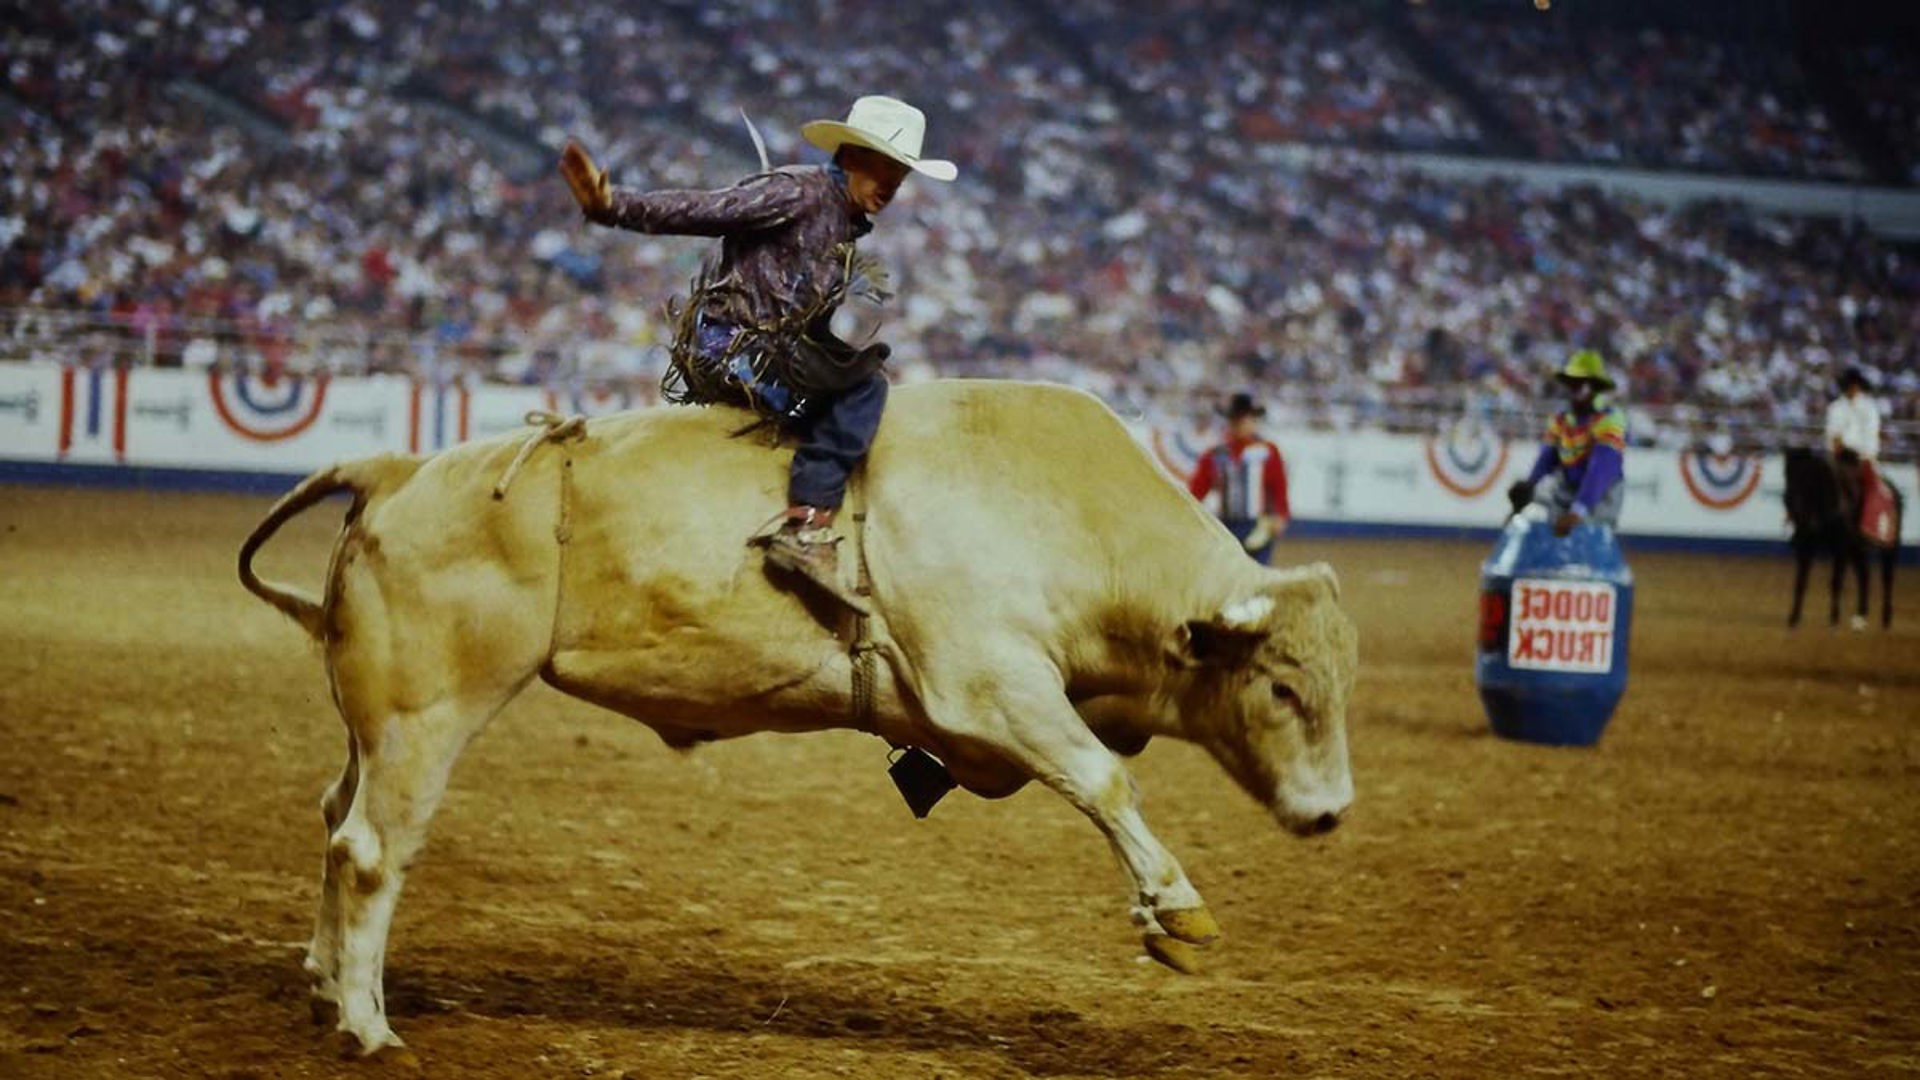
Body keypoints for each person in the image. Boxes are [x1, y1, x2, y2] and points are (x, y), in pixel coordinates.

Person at [558, 96, 956, 613]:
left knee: (852, 371)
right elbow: (707, 209)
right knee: (865, 387)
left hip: (758, 350)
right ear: (853, 156)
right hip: (738, 352)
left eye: (900, 175)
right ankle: (808, 524)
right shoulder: (799, 192)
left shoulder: (838, 217)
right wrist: (613, 207)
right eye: (886, 169)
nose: (892, 186)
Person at [1510, 350, 1627, 537]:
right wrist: (1529, 487)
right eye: (1571, 383)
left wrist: (1577, 512)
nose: (1573, 389)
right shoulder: (1561, 419)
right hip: (1566, 489)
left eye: (1580, 384)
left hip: (1602, 495)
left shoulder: (1610, 419)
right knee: (1535, 517)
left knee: (1585, 535)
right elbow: (1546, 458)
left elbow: (1601, 470)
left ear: (1594, 387)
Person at [1188, 392, 1290, 564]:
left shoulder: (1268, 451)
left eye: (1244, 419)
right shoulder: (1215, 454)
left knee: (1257, 577)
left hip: (1257, 526)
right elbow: (1197, 490)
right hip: (1225, 527)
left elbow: (1279, 486)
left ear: (1253, 420)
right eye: (1235, 419)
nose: (1240, 424)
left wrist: (1281, 515)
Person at [1825, 366, 1887, 539]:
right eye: (1849, 385)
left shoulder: (1869, 408)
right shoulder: (1836, 407)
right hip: (1840, 456)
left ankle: (1872, 524)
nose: (1851, 388)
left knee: (1874, 488)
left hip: (1863, 457)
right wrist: (1837, 447)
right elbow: (1832, 433)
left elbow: (1871, 434)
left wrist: (1864, 455)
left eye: (1854, 385)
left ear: (1859, 386)